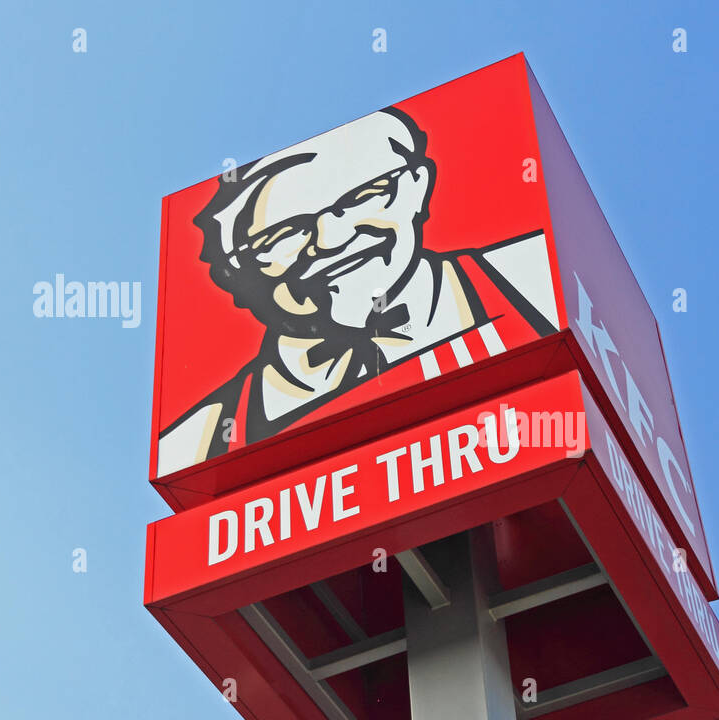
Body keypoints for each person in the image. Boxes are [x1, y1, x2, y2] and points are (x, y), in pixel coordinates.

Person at [157, 107, 559, 476]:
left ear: (417, 188)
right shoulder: (195, 445)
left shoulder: (535, 284)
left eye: (364, 196)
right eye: (283, 234)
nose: (331, 239)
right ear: (237, 275)